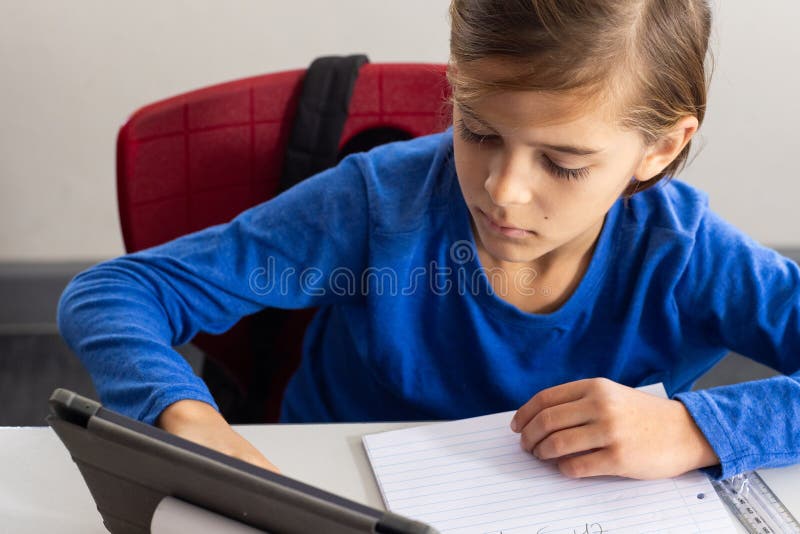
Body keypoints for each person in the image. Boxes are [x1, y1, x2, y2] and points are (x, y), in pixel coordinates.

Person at [58, 0, 800, 482]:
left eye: (562, 163)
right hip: (338, 488)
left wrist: (694, 428)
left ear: (661, 150)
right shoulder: (380, 204)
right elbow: (116, 292)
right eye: (477, 131)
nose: (502, 190)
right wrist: (188, 420)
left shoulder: (688, 256)